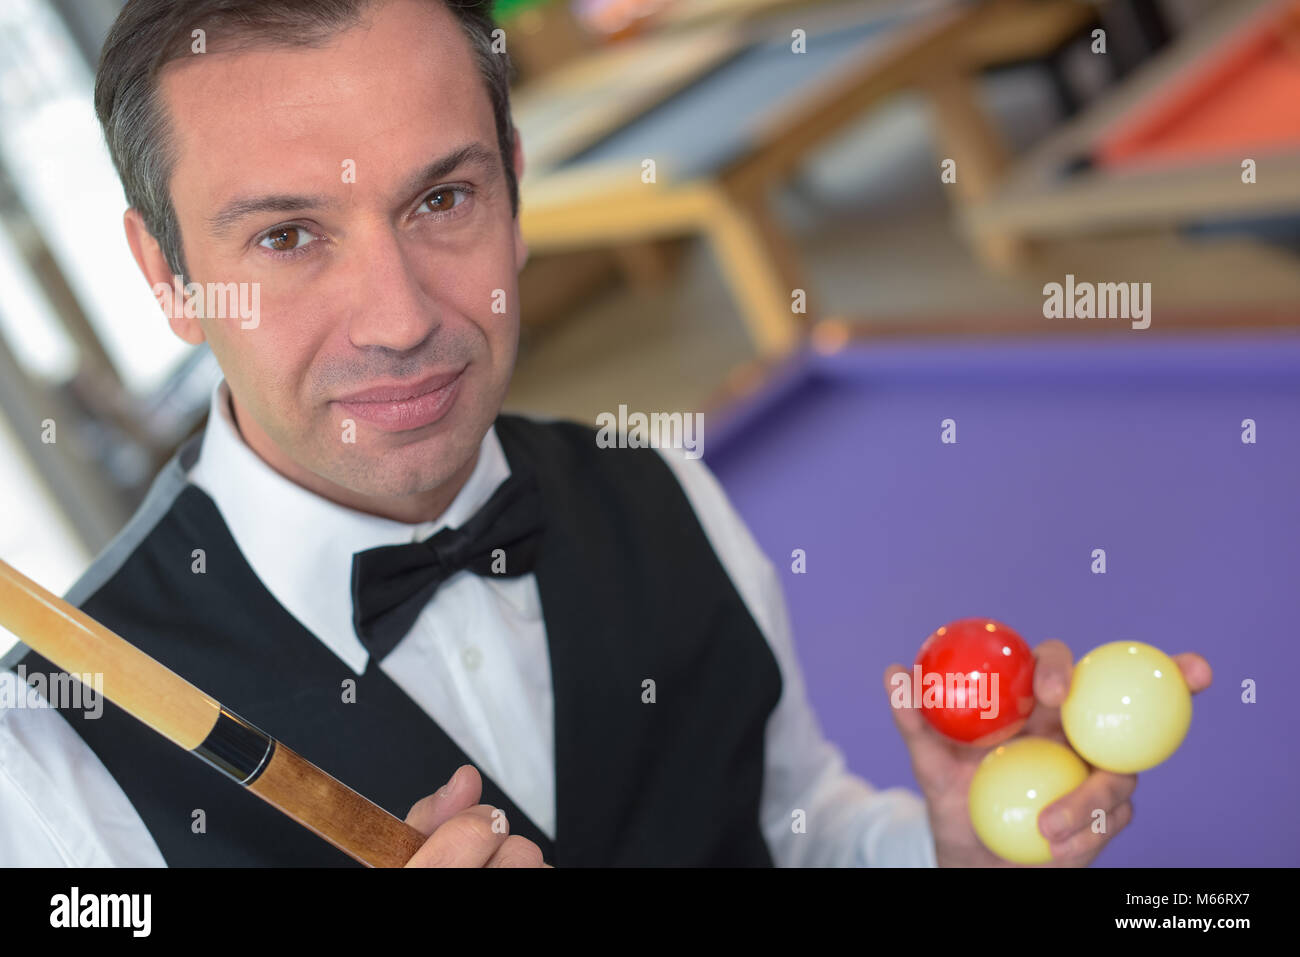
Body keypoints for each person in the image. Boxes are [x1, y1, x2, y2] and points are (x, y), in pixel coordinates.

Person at [0, 0, 1210, 868]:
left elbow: (799, 829)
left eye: (441, 198)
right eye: (286, 237)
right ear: (167, 275)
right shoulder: (51, 765)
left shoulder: (658, 483)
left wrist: (946, 852)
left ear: (515, 189)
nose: (401, 318)